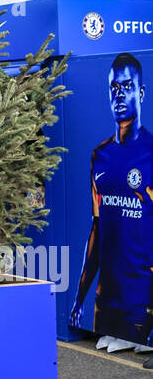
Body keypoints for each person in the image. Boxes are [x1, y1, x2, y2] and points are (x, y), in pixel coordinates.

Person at [70, 52, 153, 355]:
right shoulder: (99, 155)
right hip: (105, 303)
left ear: (141, 92)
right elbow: (97, 228)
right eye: (114, 88)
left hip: (140, 302)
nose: (119, 94)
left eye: (127, 86)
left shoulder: (151, 153)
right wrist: (80, 296)